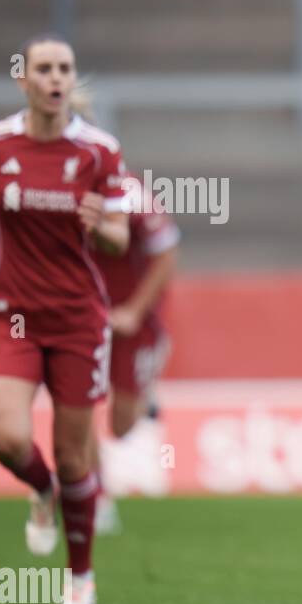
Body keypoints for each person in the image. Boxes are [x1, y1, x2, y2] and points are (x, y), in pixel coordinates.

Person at [0, 33, 131, 604]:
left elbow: (120, 235)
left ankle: (80, 579)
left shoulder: (98, 152)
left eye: (64, 67)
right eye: (44, 68)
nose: (56, 77)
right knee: (9, 439)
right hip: (9, 313)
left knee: (73, 459)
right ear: (25, 79)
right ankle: (41, 492)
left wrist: (101, 225)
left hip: (76, 319)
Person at [88, 174, 179, 533]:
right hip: (80, 316)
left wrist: (135, 311)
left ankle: (146, 399)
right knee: (75, 409)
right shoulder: (50, 187)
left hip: (130, 322)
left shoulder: (128, 193)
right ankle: (95, 495)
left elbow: (168, 251)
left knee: (121, 425)